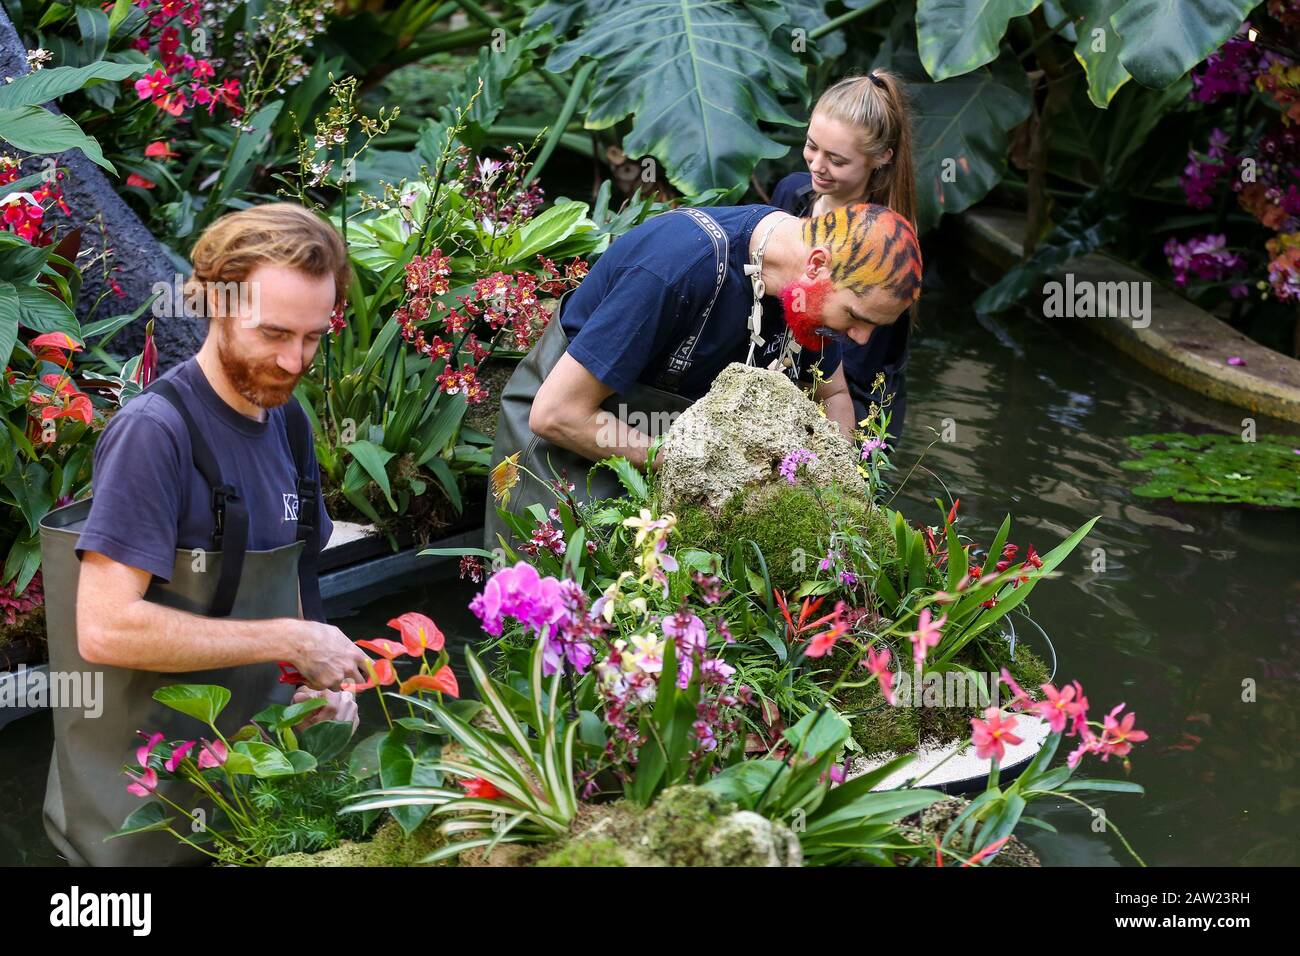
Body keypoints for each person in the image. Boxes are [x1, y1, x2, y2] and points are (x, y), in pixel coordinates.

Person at [41, 203, 370, 866]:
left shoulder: (289, 419)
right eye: (274, 332)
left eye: (312, 337)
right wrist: (290, 639)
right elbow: (104, 629)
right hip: (139, 816)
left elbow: (299, 576)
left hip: (250, 795)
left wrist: (323, 678)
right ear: (216, 304)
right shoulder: (155, 433)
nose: (293, 360)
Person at [484, 200, 922, 551]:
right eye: (857, 317)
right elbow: (556, 413)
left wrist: (834, 485)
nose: (861, 339)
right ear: (817, 265)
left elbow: (835, 395)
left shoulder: (807, 298)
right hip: (559, 465)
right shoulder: (676, 268)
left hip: (659, 467)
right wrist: (708, 469)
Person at [770, 70, 918, 445]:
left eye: (836, 159)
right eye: (811, 146)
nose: (817, 165)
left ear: (882, 156)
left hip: (855, 401)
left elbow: (860, 365)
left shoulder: (884, 248)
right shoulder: (791, 194)